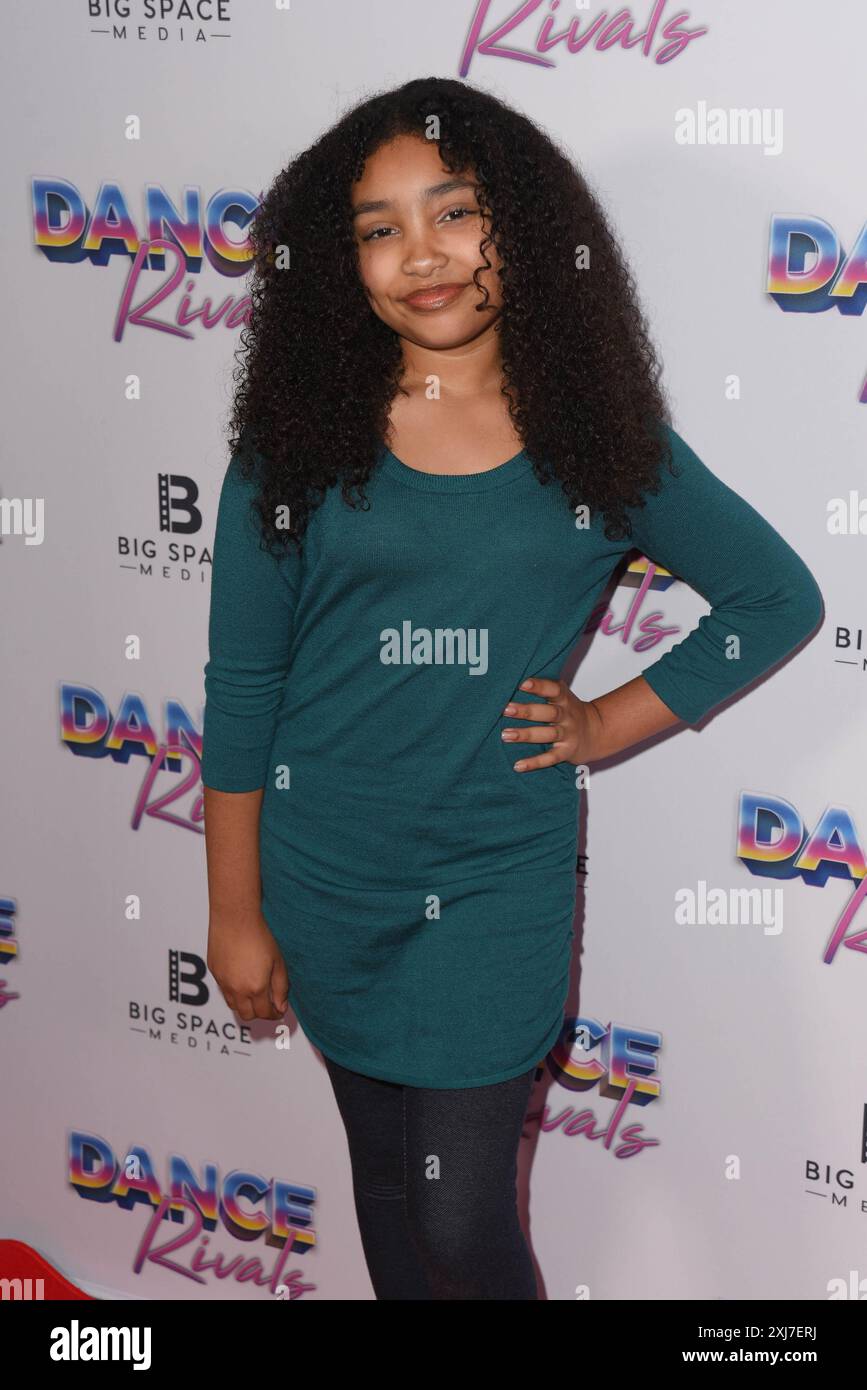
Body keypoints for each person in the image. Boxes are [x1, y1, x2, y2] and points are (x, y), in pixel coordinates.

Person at [200, 77, 823, 1301]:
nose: (419, 255)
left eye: (455, 213)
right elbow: (241, 685)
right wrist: (235, 912)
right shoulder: (294, 437)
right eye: (379, 228)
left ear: (521, 232)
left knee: (460, 1213)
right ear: (344, 262)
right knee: (384, 1184)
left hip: (491, 880)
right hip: (322, 872)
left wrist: (608, 720)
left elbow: (775, 599)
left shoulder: (600, 433)